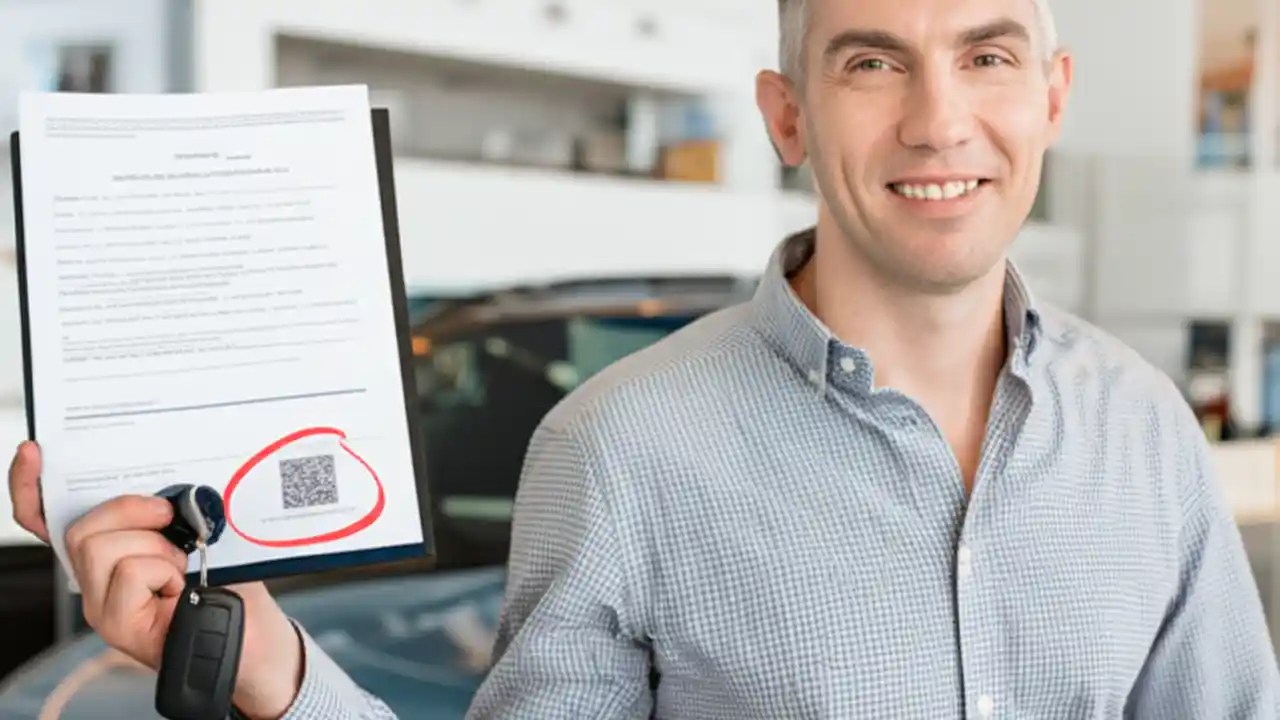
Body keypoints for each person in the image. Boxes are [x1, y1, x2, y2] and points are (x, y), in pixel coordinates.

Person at [9, 0, 1280, 716]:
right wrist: (279, 675)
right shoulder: (621, 449)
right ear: (785, 115)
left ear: (1049, 94)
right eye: (869, 61)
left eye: (985, 55)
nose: (937, 119)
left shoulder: (1143, 431)